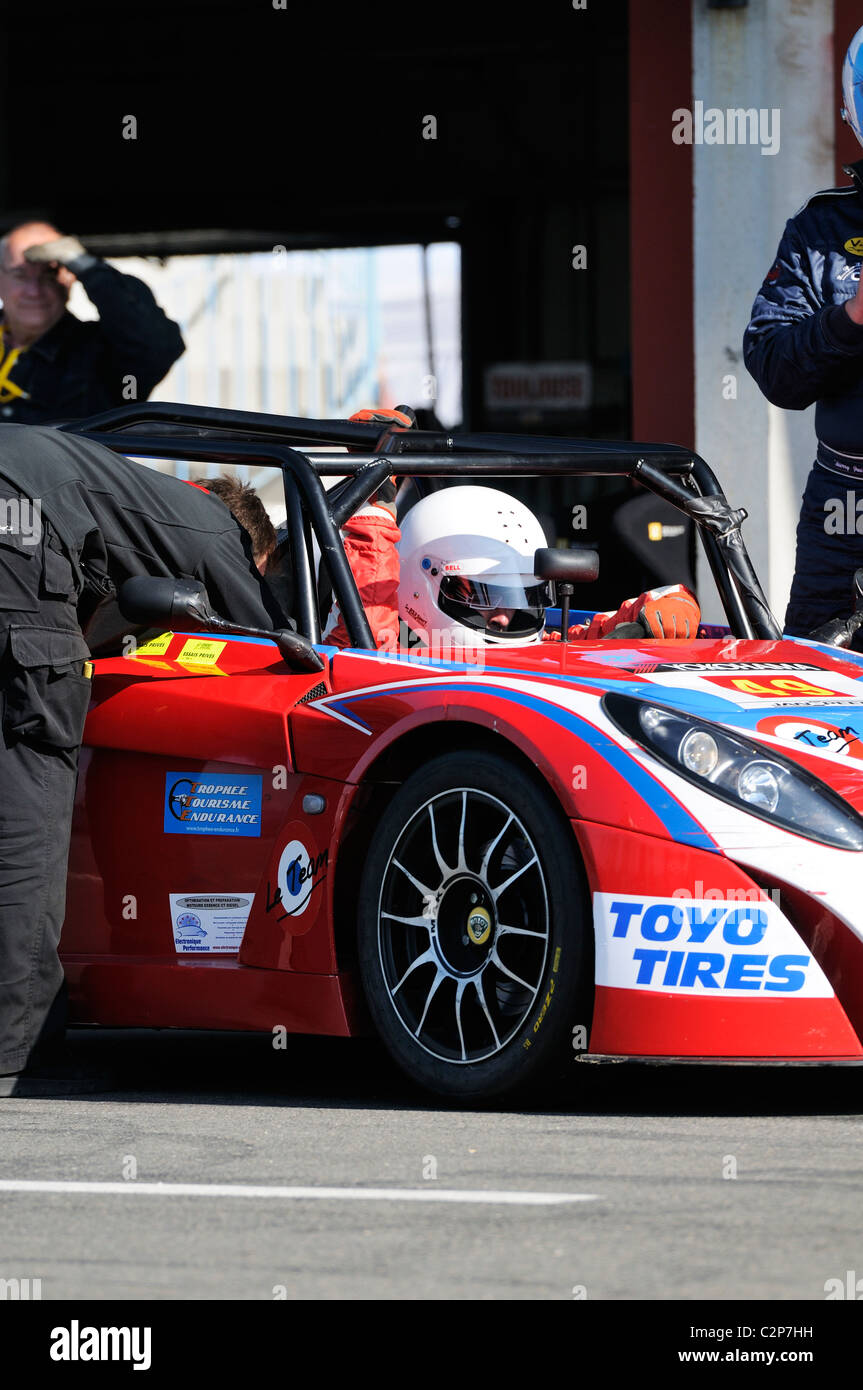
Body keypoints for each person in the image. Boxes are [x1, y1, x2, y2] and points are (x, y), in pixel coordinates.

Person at [0, 426, 280, 1090]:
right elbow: (267, 647)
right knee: (27, 809)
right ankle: (12, 1048)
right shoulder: (219, 533)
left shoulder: (107, 483)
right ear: (254, 548)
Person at [744, 23, 863, 638]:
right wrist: (851, 318)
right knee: (819, 699)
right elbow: (772, 369)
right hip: (843, 515)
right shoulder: (821, 229)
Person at [325, 480, 700, 651]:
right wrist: (372, 518)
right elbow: (367, 643)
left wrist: (670, 603)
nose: (506, 617)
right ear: (424, 585)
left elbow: (600, 632)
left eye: (522, 596)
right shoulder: (394, 663)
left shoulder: (541, 650)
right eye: (486, 595)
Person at [0, 222, 184, 424]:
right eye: (20, 275)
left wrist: (87, 266)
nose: (34, 291)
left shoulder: (104, 356)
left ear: (70, 277)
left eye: (50, 275)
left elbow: (155, 346)